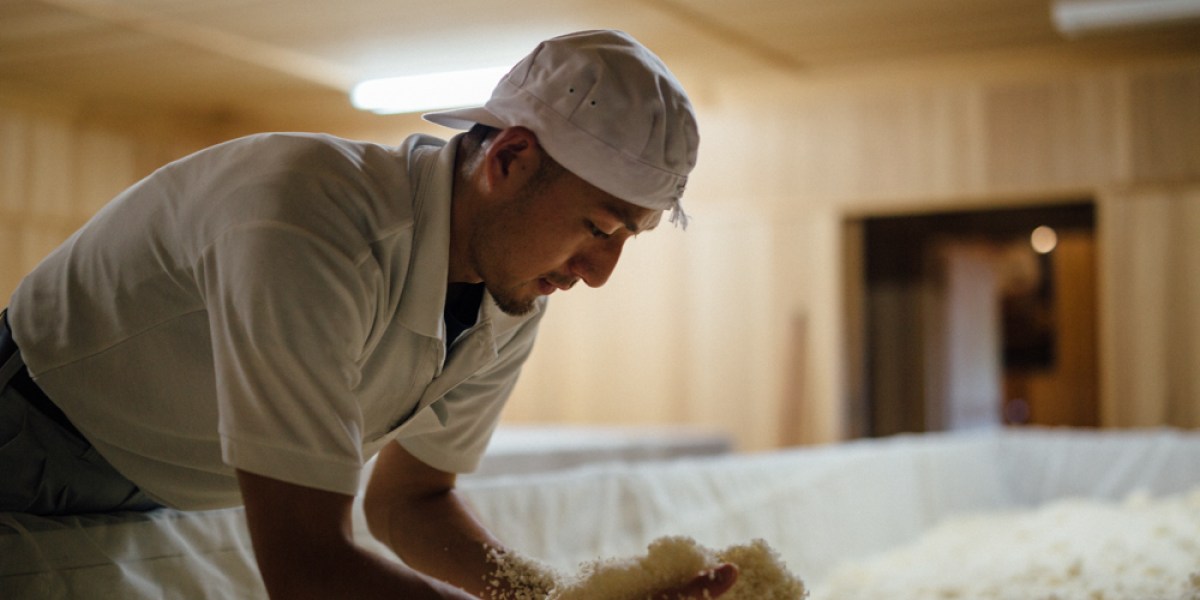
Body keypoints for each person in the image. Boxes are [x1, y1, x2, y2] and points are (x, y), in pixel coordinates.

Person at [0, 29, 737, 599]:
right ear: (509, 159)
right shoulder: (308, 221)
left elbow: (410, 502)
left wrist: (556, 598)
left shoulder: (513, 296)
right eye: (599, 229)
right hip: (28, 432)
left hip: (164, 488)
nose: (600, 274)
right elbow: (307, 569)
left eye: (626, 240)